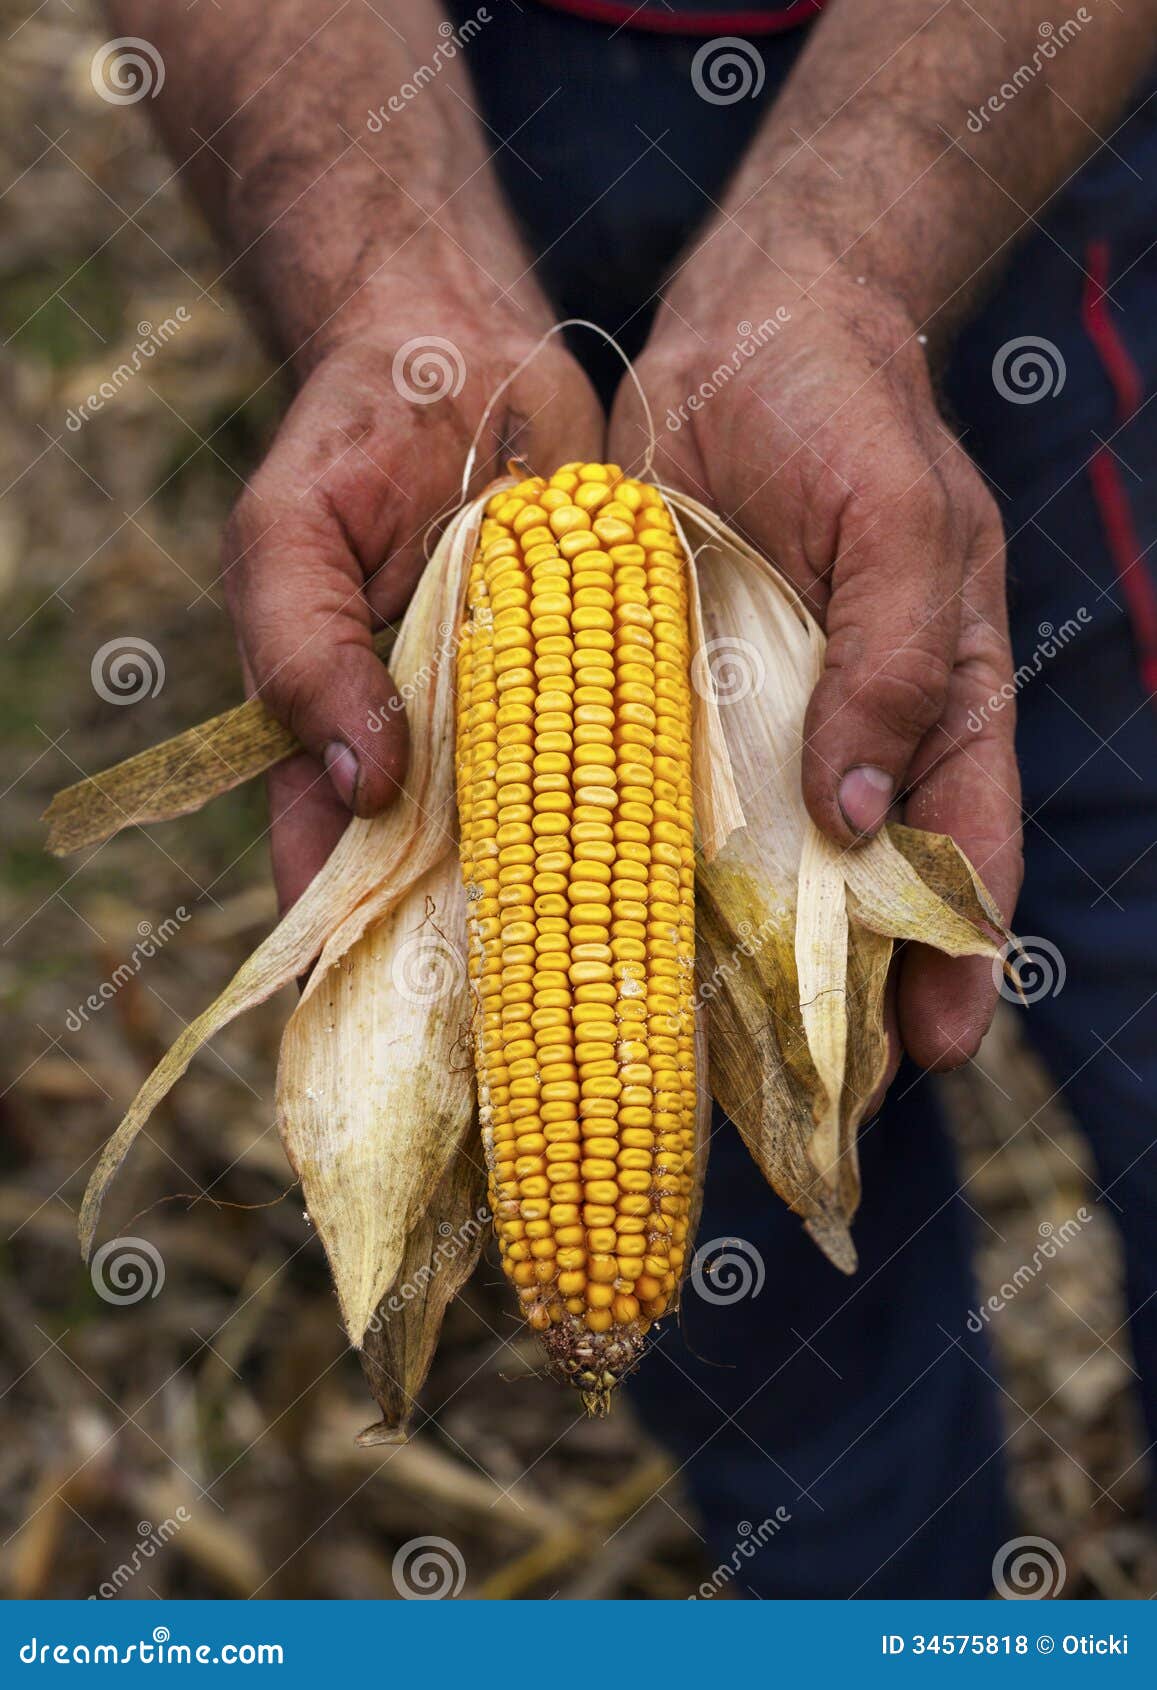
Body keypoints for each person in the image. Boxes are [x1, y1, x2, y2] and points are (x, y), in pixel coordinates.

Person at [105, 0, 1157, 1596]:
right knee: (756, 1285)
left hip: (1001, 80)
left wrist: (851, 258)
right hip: (434, 76)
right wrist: (379, 266)